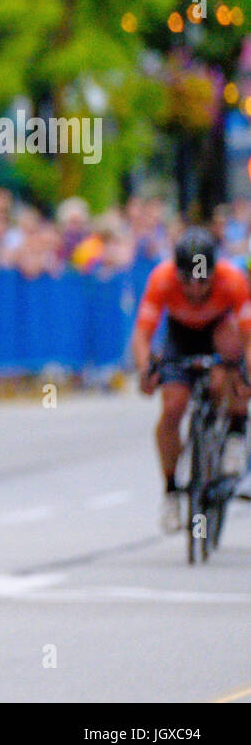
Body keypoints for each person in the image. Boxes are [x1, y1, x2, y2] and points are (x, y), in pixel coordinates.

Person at [131, 228, 251, 533]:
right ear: (177, 274)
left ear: (214, 272)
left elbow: (248, 339)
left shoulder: (233, 280)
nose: (196, 290)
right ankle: (171, 492)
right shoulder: (161, 279)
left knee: (231, 364)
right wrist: (145, 370)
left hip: (219, 332)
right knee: (173, 407)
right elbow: (142, 335)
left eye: (203, 281)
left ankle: (235, 431)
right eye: (188, 282)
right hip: (180, 337)